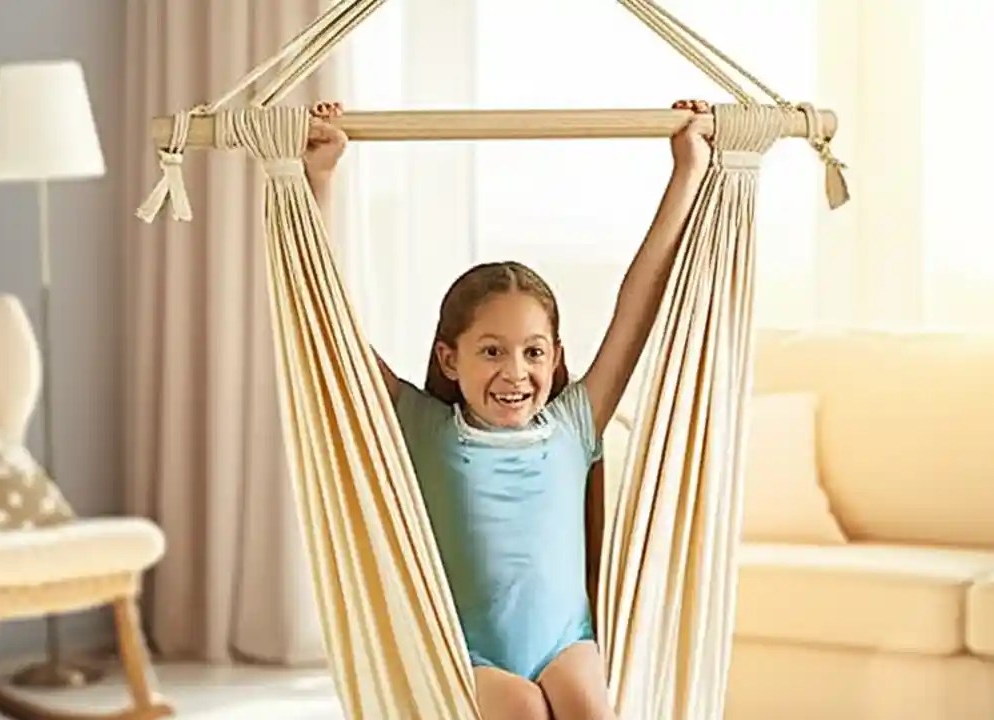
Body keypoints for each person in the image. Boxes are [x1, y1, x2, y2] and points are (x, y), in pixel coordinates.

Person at [302, 98, 714, 720]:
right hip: (467, 657)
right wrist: (320, 183)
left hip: (565, 642)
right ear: (449, 359)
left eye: (533, 352)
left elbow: (639, 306)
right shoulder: (425, 428)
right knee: (521, 708)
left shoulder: (574, 425)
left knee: (587, 705)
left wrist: (687, 173)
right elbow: (332, 327)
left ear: (555, 357)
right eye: (491, 351)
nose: (515, 373)